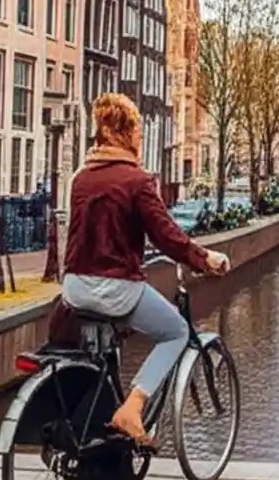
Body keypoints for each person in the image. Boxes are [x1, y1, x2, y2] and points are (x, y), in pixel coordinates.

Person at [61, 93, 229, 446]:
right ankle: (132, 408)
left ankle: (99, 416)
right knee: (175, 332)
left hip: (74, 286)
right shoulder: (136, 181)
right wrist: (203, 259)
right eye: (137, 133)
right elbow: (166, 236)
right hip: (115, 287)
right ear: (126, 134)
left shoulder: (80, 177)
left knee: (110, 339)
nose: (140, 140)